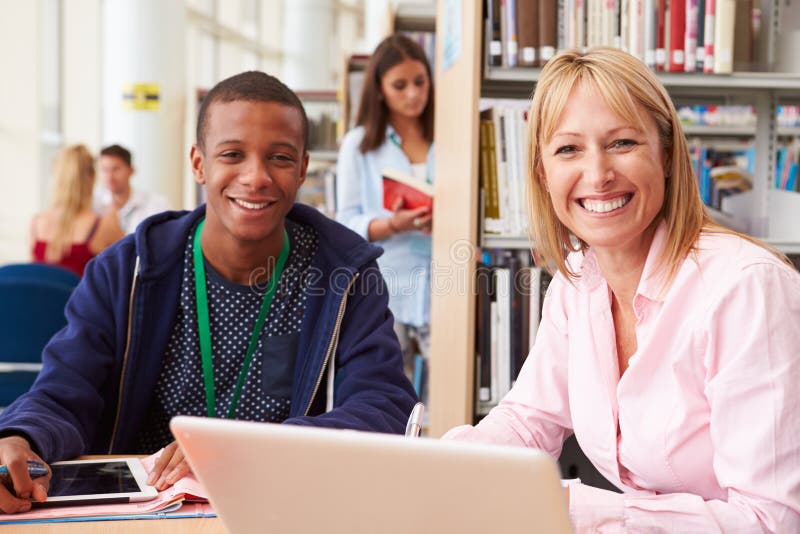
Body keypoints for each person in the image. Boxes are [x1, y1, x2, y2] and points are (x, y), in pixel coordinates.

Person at [0, 71, 417, 514]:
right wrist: (19, 436)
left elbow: (385, 405)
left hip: (280, 508)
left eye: (279, 157)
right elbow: (65, 390)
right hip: (142, 514)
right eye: (232, 154)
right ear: (199, 163)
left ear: (302, 170)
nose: (256, 177)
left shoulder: (346, 274)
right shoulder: (126, 270)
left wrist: (257, 448)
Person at [444, 48, 800, 532]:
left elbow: (771, 521)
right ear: (542, 172)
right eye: (568, 149)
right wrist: (440, 468)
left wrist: (591, 510)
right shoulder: (580, 279)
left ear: (669, 154)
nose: (597, 175)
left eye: (623, 143)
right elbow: (531, 418)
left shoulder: (746, 289)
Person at [336, 33, 435, 390]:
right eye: (400, 85)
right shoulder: (359, 146)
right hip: (386, 288)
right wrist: (392, 224)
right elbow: (345, 224)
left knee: (449, 397)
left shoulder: (451, 137)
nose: (413, 94)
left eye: (420, 81)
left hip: (444, 286)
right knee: (388, 395)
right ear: (379, 89)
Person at [30, 144, 124, 277]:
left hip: (40, 298)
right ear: (91, 178)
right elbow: (129, 271)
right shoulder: (102, 225)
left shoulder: (37, 223)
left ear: (56, 177)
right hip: (79, 298)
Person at [94, 144, 170, 234]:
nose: (110, 177)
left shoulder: (157, 204)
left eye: (116, 169)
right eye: (105, 170)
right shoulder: (93, 204)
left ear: (131, 170)